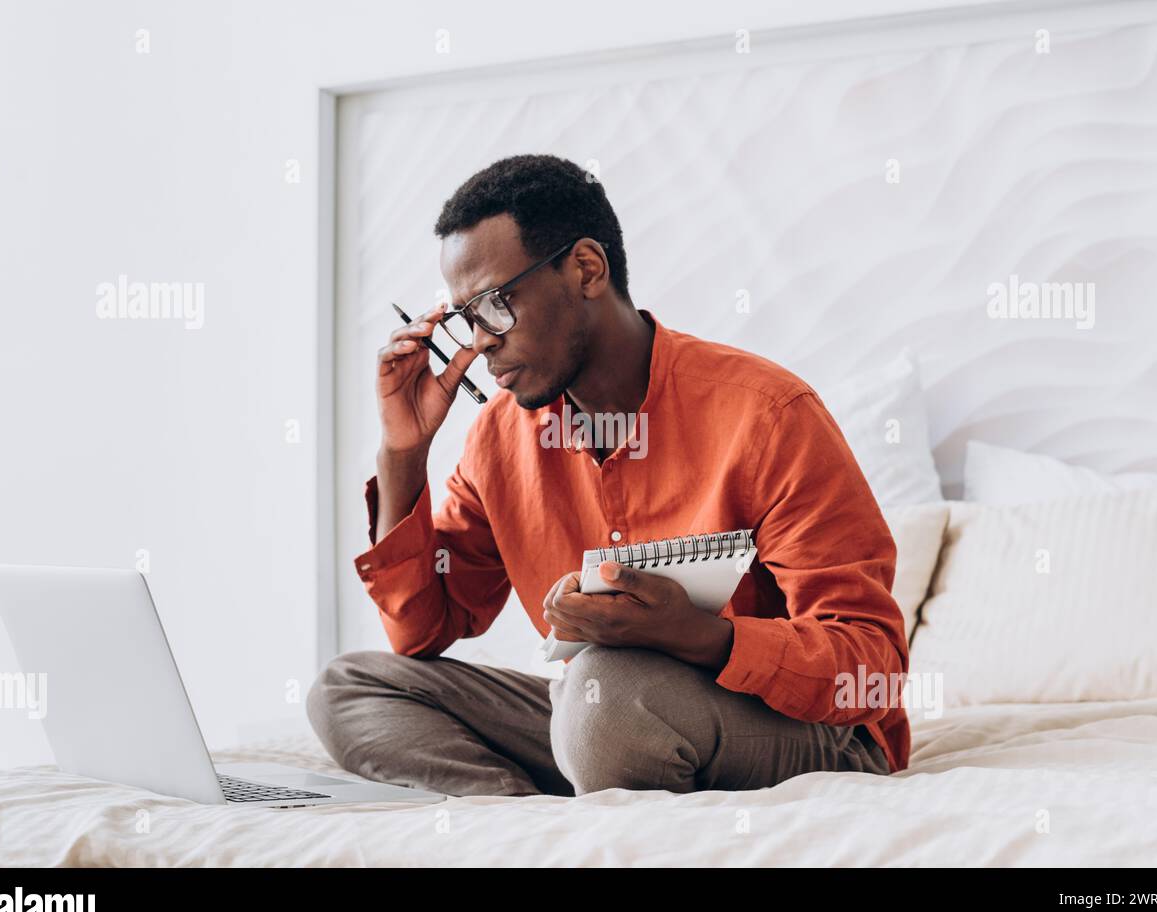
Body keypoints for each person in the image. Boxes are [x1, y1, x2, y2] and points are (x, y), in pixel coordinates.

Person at [307, 154, 908, 797]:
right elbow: (422, 631)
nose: (479, 342)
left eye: (493, 305)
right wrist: (402, 454)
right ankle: (522, 830)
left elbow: (871, 667)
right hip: (599, 712)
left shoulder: (766, 415)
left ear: (586, 269)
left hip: (802, 726)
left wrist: (696, 634)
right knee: (348, 688)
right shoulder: (499, 438)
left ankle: (596, 767)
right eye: (465, 318)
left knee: (610, 697)